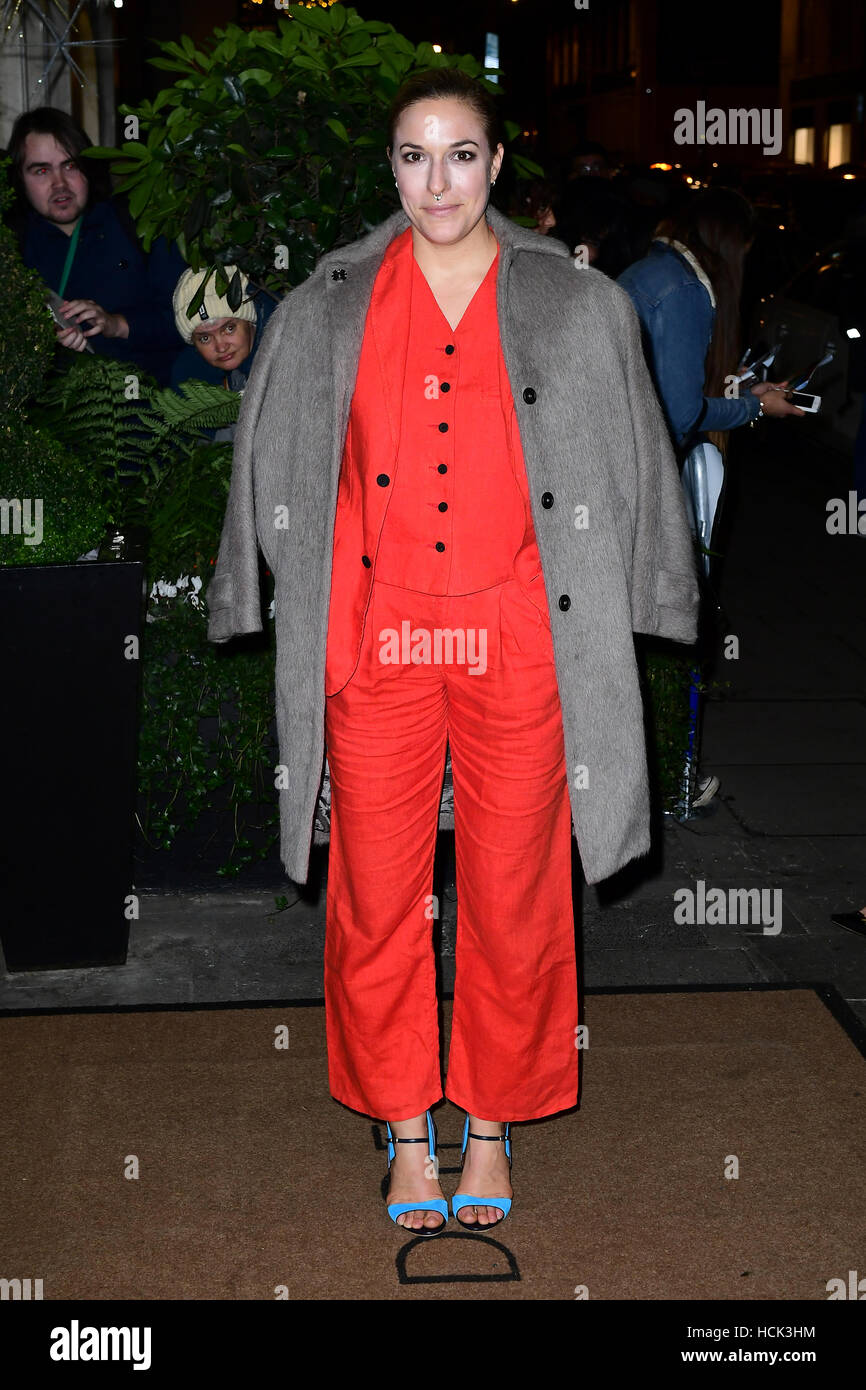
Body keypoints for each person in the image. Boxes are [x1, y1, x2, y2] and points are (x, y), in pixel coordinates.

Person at [206, 68, 699, 1237]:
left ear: (495, 165)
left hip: (520, 641)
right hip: (375, 645)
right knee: (373, 894)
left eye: (460, 155)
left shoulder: (576, 303)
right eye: (414, 156)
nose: (438, 181)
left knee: (514, 894)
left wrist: (656, 592)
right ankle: (401, 1124)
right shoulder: (328, 305)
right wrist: (249, 583)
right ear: (390, 168)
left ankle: (486, 1120)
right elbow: (266, 465)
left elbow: (633, 454)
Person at [617, 188, 806, 809]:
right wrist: (755, 407)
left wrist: (744, 386)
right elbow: (681, 409)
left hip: (607, 472)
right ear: (730, 243)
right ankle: (663, 780)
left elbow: (672, 377)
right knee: (667, 629)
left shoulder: (654, 270)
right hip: (637, 478)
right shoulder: (687, 290)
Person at [5, 107, 189, 387]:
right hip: (58, 420)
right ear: (20, 179)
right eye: (41, 170)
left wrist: (118, 325)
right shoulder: (13, 249)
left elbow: (192, 320)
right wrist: (43, 340)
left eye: (70, 165)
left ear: (88, 168)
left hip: (156, 409)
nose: (59, 184)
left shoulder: (138, 222)